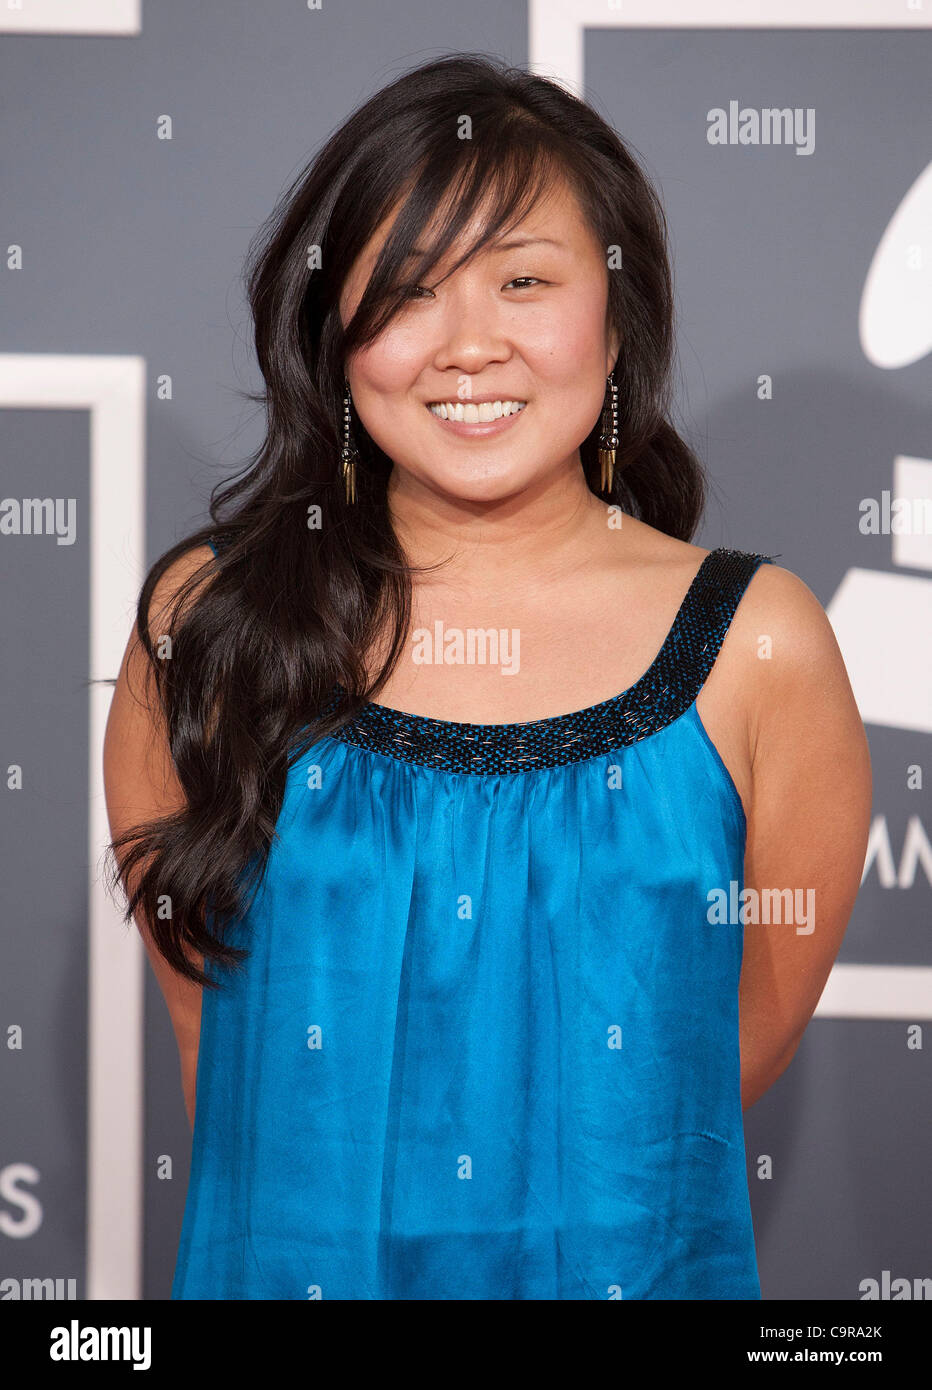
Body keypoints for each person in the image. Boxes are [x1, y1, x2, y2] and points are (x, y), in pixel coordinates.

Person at [103, 53, 872, 1300]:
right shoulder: (211, 624)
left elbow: (706, 1074)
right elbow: (222, 1055)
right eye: (406, 291)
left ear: (616, 316)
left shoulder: (755, 644)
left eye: (523, 280)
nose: (468, 346)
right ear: (335, 332)